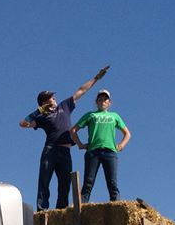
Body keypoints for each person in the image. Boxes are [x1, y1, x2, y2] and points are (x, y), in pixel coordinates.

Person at [20, 66, 109, 210]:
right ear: (44, 102)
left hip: (65, 152)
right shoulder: (42, 117)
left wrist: (96, 77)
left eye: (53, 97)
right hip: (50, 150)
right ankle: (42, 210)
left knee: (65, 183)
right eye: (50, 98)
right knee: (44, 181)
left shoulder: (64, 106)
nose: (54, 99)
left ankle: (60, 211)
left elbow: (81, 90)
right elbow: (23, 124)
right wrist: (39, 110)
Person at [70, 89, 131, 203]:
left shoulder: (114, 116)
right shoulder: (90, 115)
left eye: (105, 99)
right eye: (100, 99)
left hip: (110, 152)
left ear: (109, 102)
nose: (103, 101)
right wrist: (80, 144)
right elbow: (73, 130)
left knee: (112, 182)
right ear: (96, 102)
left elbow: (127, 133)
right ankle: (82, 207)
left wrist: (121, 145)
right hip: (93, 152)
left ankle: (116, 206)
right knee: (88, 181)